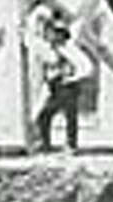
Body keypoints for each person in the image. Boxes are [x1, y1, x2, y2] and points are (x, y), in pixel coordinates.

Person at [34, 13, 94, 152]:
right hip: (55, 87)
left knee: (70, 116)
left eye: (56, 34)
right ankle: (45, 144)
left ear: (62, 35)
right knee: (44, 115)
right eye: (51, 33)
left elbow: (87, 67)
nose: (52, 36)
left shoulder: (69, 50)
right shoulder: (51, 50)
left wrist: (71, 78)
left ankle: (71, 145)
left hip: (68, 88)